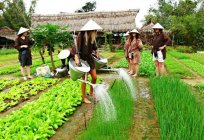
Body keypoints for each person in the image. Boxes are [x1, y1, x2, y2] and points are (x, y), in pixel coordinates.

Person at [72, 19, 102, 104]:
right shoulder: (81, 35)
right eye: (94, 30)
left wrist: (97, 53)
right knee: (85, 79)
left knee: (94, 77)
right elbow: (76, 47)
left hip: (89, 58)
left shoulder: (92, 37)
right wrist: (76, 58)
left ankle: (91, 91)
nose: (95, 31)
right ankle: (84, 97)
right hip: (82, 59)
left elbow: (95, 48)